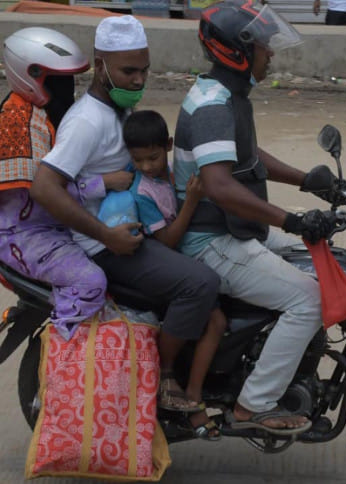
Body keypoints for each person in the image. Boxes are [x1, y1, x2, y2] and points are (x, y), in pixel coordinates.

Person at [29, 16, 223, 424]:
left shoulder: (121, 107)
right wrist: (107, 237)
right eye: (128, 71)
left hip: (132, 226)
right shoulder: (87, 121)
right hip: (105, 246)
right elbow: (44, 188)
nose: (138, 80)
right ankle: (167, 377)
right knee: (201, 283)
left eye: (144, 70)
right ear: (101, 66)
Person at [175, 0, 343, 435]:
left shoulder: (229, 96)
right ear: (236, 51)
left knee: (328, 255)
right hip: (209, 240)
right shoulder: (213, 104)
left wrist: (310, 180)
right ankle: (255, 405)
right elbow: (219, 186)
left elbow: (247, 157)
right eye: (265, 48)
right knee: (307, 298)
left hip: (236, 229)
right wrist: (292, 220)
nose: (271, 54)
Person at [0, 27, 112, 340]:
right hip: (24, 234)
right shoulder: (20, 123)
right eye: (58, 80)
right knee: (91, 281)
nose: (68, 89)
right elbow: (46, 195)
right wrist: (103, 184)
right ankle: (64, 361)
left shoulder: (49, 114)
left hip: (54, 224)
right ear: (33, 76)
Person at [121, 109, 227, 440]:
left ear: (167, 146)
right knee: (214, 319)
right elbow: (166, 240)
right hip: (167, 260)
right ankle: (170, 380)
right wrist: (192, 202)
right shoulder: (143, 191)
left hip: (188, 253)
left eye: (153, 158)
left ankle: (194, 394)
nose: (146, 167)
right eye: (138, 160)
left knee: (220, 321)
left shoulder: (171, 174)